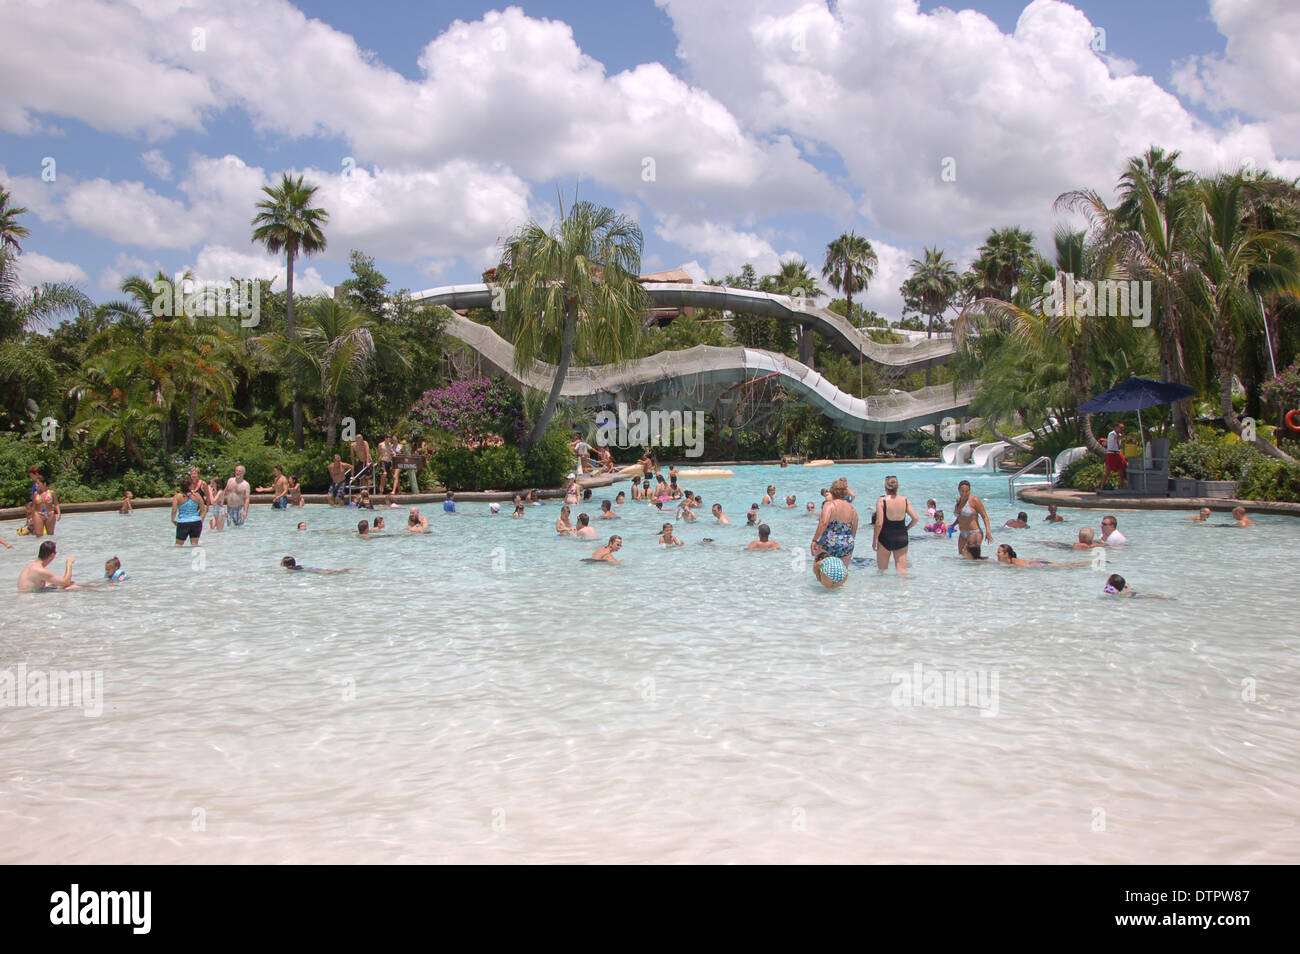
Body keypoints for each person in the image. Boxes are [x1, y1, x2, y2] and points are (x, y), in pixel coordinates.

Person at [811, 477, 859, 586]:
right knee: (841, 573)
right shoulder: (852, 509)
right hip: (847, 543)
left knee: (817, 567)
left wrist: (815, 540)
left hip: (829, 543)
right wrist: (848, 542)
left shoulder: (830, 505)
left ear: (832, 491)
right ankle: (837, 597)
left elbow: (823, 522)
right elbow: (854, 530)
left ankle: (824, 589)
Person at [872, 475, 919, 573]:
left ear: (885, 487)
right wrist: (906, 528)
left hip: (885, 537)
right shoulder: (905, 500)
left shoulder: (882, 501)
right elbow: (915, 518)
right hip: (901, 537)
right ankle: (905, 588)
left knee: (882, 571)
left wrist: (874, 540)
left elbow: (879, 523)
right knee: (902, 571)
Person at [953, 479, 993, 557]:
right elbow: (960, 517)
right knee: (962, 558)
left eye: (966, 491)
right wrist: (953, 525)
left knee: (973, 559)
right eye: (962, 491)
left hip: (974, 533)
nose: (964, 493)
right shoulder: (958, 501)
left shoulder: (974, 501)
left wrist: (988, 532)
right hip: (962, 533)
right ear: (958, 490)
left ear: (970, 490)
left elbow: (984, 516)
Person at [171, 475, 207, 546]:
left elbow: (174, 510)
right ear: (190, 486)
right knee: (194, 545)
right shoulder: (197, 495)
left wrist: (173, 520)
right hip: (196, 522)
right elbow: (203, 509)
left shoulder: (177, 497)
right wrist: (200, 519)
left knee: (178, 545)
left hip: (183, 522)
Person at [1103, 573, 1172, 599]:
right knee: (1151, 595)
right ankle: (1166, 597)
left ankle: (1166, 597)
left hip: (1131, 595)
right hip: (1132, 593)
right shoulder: (1123, 589)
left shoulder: (1115, 593)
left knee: (1150, 596)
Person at [1104, 421, 1127, 489]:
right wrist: (1127, 436)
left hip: (1117, 453)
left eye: (1122, 428)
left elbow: (1119, 441)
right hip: (1111, 453)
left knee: (1121, 470)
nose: (1121, 429)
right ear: (1116, 427)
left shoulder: (1119, 435)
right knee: (1108, 471)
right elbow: (1117, 438)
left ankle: (1120, 487)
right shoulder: (1112, 434)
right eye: (1120, 428)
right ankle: (1102, 486)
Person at [281, 556, 354, 575]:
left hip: (310, 570)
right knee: (331, 571)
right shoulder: (298, 566)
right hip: (311, 569)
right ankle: (345, 570)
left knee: (332, 573)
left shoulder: (290, 570)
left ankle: (345, 570)